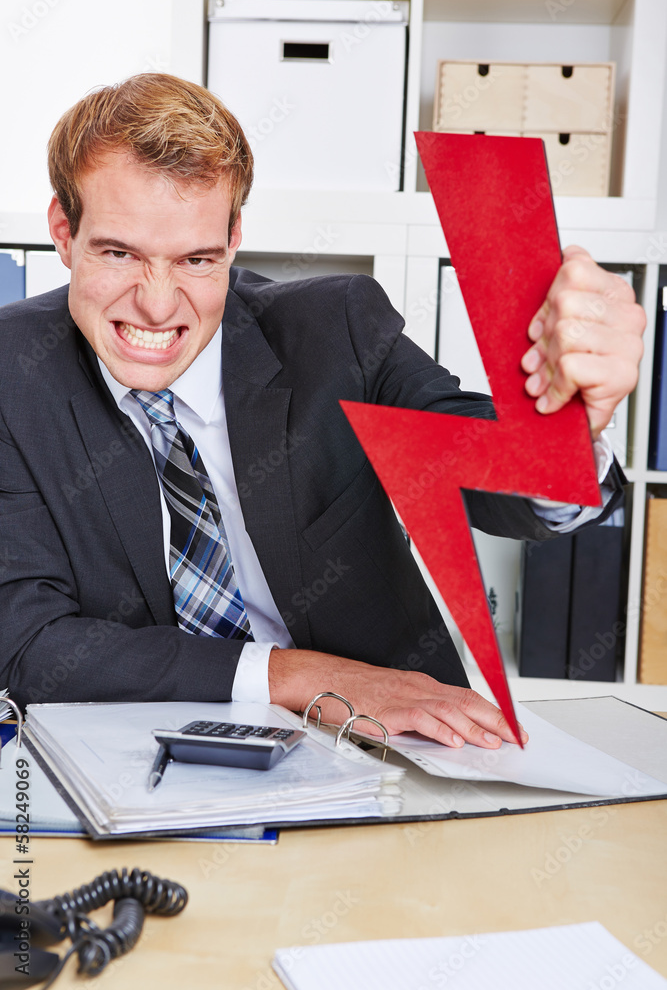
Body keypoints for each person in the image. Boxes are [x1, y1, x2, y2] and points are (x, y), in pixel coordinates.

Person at [0, 74, 644, 750]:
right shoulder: (14, 375)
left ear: (234, 237)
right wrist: (298, 677)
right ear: (63, 233)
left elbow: (484, 475)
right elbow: (28, 643)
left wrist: (569, 426)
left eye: (196, 259)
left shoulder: (336, 331)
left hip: (397, 746)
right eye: (119, 253)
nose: (157, 306)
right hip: (143, 755)